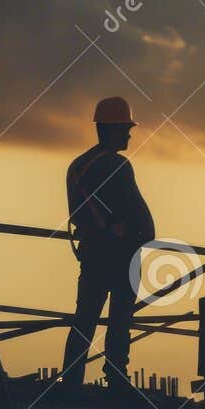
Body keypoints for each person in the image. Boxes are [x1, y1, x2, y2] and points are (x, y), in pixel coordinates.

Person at [61, 95, 155, 389]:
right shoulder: (117, 165)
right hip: (121, 256)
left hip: (92, 256)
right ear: (111, 129)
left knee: (85, 319)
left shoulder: (77, 166)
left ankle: (72, 378)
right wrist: (136, 234)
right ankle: (116, 375)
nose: (129, 133)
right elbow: (143, 221)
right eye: (126, 127)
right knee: (119, 320)